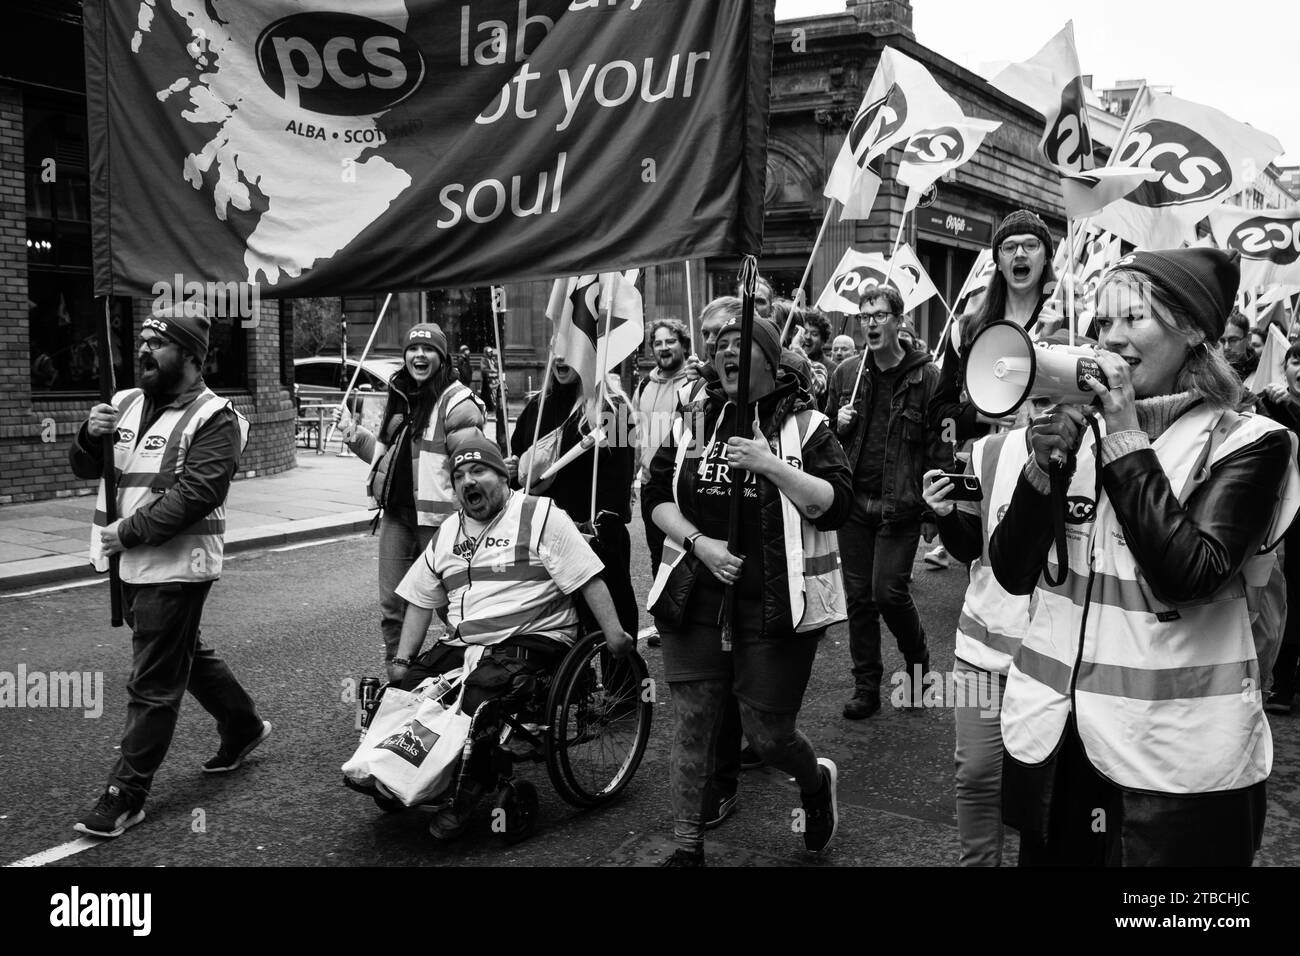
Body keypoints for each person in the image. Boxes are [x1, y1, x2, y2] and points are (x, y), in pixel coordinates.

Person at [991, 248, 1300, 866]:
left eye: (1133, 318)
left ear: (1192, 331)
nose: (1112, 339)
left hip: (1172, 763)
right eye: (1103, 324)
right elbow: (1012, 570)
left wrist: (1126, 438)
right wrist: (1041, 468)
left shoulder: (1249, 442)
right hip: (1059, 741)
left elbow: (1189, 573)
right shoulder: (1079, 434)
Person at [645, 315, 852, 865]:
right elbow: (655, 497)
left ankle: (813, 783)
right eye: (719, 345)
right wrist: (700, 545)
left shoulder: (807, 426)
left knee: (768, 735)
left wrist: (769, 464)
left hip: (775, 603)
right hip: (696, 595)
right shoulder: (696, 420)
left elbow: (837, 505)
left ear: (770, 358)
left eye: (741, 343)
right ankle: (688, 849)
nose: (726, 351)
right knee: (692, 723)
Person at [70, 306, 268, 839]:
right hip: (128, 563)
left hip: (177, 567)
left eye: (157, 344)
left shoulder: (217, 418)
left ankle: (125, 793)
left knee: (153, 681)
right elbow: (90, 467)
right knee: (185, 653)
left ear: (190, 355)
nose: (143, 352)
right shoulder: (126, 402)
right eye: (142, 342)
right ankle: (244, 726)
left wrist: (128, 532)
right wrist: (90, 435)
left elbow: (199, 494)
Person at [386, 434, 633, 838]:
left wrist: (615, 637)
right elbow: (418, 598)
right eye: (460, 474)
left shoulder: (540, 515)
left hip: (532, 637)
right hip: (466, 644)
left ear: (503, 476)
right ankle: (399, 775)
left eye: (479, 470)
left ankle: (470, 789)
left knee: (479, 700)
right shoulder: (449, 531)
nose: (469, 481)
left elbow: (588, 578)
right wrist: (400, 663)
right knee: (409, 690)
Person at [826, 285, 953, 719]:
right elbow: (823, 439)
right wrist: (836, 424)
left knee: (888, 592)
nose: (871, 323)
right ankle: (867, 686)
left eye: (880, 315)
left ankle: (917, 665)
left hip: (901, 503)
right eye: (864, 316)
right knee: (859, 598)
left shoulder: (927, 376)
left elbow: (940, 444)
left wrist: (935, 507)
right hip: (854, 503)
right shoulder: (847, 373)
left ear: (899, 320)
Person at [335, 323, 486, 662]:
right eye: (413, 348)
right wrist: (353, 433)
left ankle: (470, 676)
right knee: (392, 608)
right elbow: (387, 459)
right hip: (397, 518)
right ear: (404, 356)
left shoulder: (457, 403)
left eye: (429, 349)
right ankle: (400, 684)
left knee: (452, 608)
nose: (420, 354)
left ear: (442, 357)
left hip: (441, 524)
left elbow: (472, 468)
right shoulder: (401, 396)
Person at [510, 352, 637, 637]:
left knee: (612, 626)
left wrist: (603, 529)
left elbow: (620, 479)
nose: (560, 359)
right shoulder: (536, 406)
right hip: (543, 535)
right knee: (554, 628)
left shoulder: (614, 410)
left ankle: (624, 682)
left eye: (572, 350)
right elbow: (518, 461)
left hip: (595, 535)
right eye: (556, 352)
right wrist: (509, 467)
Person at [933, 210, 1056, 445]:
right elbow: (938, 417)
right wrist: (979, 413)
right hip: (985, 468)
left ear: (1047, 257)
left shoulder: (1070, 324)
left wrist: (1052, 346)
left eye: (1031, 245)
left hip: (1048, 467)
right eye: (1009, 247)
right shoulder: (966, 331)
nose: (1020, 253)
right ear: (998, 262)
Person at [633, 319, 692, 633]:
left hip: (681, 485)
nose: (664, 347)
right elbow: (635, 434)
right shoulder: (644, 385)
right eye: (658, 343)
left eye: (671, 341)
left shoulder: (694, 382)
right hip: (649, 485)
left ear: (683, 345)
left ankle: (691, 619)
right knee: (658, 554)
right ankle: (665, 623)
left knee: (685, 551)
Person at [1256, 342, 1300, 716]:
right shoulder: (1265, 407)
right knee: (1280, 601)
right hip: (1278, 529)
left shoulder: (1287, 407)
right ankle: (1280, 683)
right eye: (1296, 359)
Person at [1223, 310, 1257, 383]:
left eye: (1233, 340)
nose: (1226, 347)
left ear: (1248, 338)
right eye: (1222, 341)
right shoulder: (1212, 375)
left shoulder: (1262, 371)